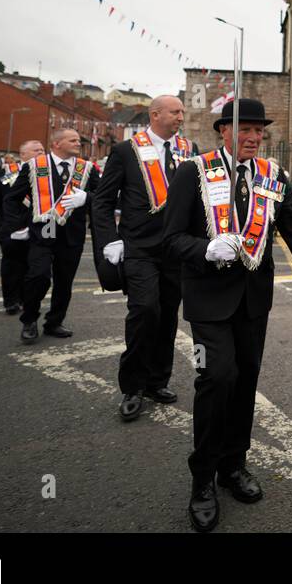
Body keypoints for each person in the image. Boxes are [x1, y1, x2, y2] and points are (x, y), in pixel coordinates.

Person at [162, 98, 292, 532]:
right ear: (223, 130)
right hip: (208, 300)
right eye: (245, 129)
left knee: (245, 383)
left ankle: (233, 466)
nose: (254, 137)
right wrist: (204, 248)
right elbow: (170, 239)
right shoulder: (192, 172)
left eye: (259, 130)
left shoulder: (273, 176)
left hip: (253, 301)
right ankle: (202, 479)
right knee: (216, 378)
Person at [92, 95, 194, 422]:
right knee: (145, 310)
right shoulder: (125, 151)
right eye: (175, 111)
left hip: (175, 249)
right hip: (138, 248)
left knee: (166, 317)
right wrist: (109, 240)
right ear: (155, 115)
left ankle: (156, 381)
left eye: (182, 111)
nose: (181, 116)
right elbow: (102, 200)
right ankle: (132, 386)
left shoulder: (188, 151)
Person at [4, 128, 100, 342]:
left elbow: (103, 196)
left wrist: (87, 198)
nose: (78, 143)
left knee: (64, 282)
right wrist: (16, 227)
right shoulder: (34, 166)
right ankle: (29, 320)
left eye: (78, 140)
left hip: (72, 235)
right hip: (42, 232)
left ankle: (54, 322)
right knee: (37, 276)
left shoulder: (86, 169)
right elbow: (12, 199)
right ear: (57, 144)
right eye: (73, 140)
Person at [0, 140, 44, 315]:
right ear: (23, 155)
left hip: (39, 227)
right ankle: (11, 300)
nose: (41, 152)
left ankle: (27, 299)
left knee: (34, 266)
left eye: (42, 150)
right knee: (12, 265)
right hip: (10, 227)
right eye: (36, 150)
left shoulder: (46, 173)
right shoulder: (5, 173)